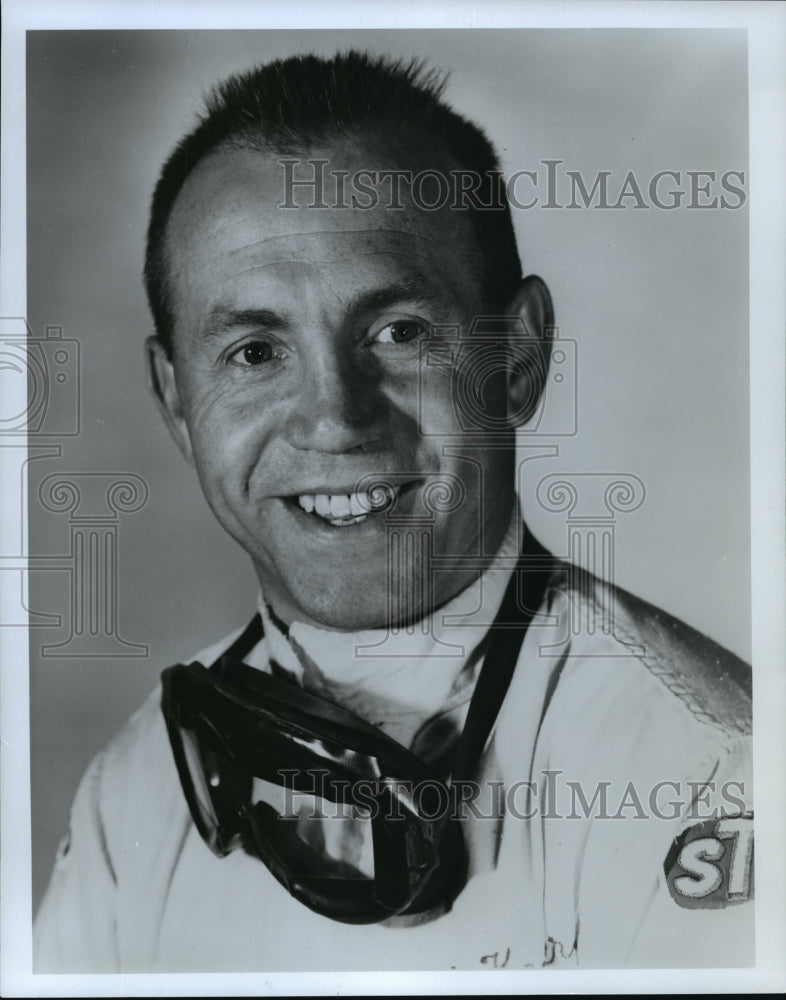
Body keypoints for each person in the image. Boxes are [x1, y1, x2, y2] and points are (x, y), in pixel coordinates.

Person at [33, 51, 753, 972]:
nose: (335, 418)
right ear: (177, 402)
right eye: (255, 351)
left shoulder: (707, 777)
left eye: (399, 332)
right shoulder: (129, 801)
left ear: (519, 359)